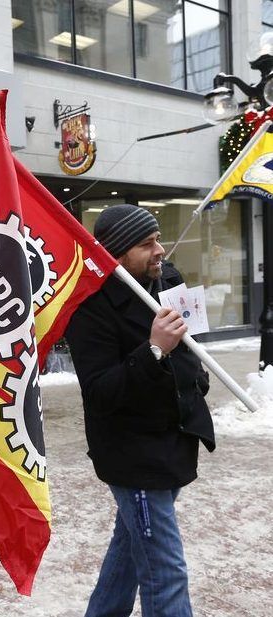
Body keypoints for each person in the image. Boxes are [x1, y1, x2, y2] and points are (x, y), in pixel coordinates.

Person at [64, 204, 215, 617]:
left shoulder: (167, 278)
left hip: (176, 439)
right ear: (117, 254)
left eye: (158, 239)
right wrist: (152, 350)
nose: (160, 250)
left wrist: (197, 379)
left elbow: (190, 345)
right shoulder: (89, 306)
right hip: (132, 455)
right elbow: (101, 393)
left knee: (131, 549)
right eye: (146, 244)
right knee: (166, 572)